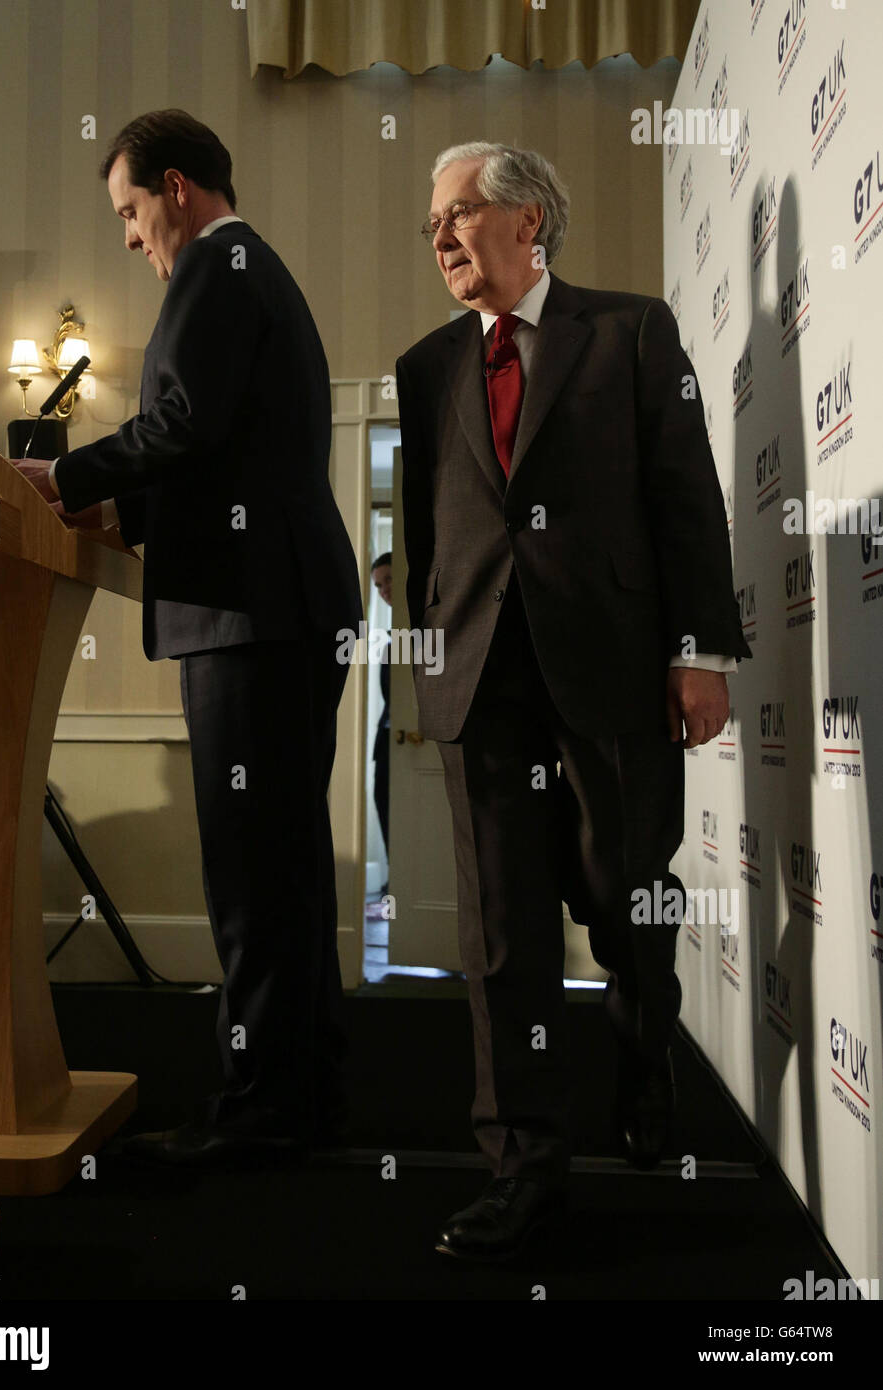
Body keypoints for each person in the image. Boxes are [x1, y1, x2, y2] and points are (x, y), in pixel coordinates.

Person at [395, 141, 750, 1260]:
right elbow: (426, 527)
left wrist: (697, 652)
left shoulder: (631, 331)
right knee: (503, 934)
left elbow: (683, 496)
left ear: (529, 222)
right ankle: (522, 1167)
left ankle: (644, 1055)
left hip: (610, 667)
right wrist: (427, 656)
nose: (443, 235)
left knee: (623, 895)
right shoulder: (422, 365)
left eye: (460, 213)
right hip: (478, 676)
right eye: (433, 223)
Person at [14, 109, 363, 1163]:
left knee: (256, 877)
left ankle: (261, 1114)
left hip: (252, 617)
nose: (128, 235)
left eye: (127, 209)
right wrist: (118, 513)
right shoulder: (249, 269)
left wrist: (63, 478)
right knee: (285, 873)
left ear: (174, 187)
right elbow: (223, 455)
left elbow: (185, 428)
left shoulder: (218, 267)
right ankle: (300, 1096)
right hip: (279, 607)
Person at [370, 552, 392, 890]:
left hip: (409, 741)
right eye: (378, 585)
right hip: (387, 744)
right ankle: (394, 880)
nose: (384, 589)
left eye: (388, 579)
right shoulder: (390, 641)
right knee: (385, 811)